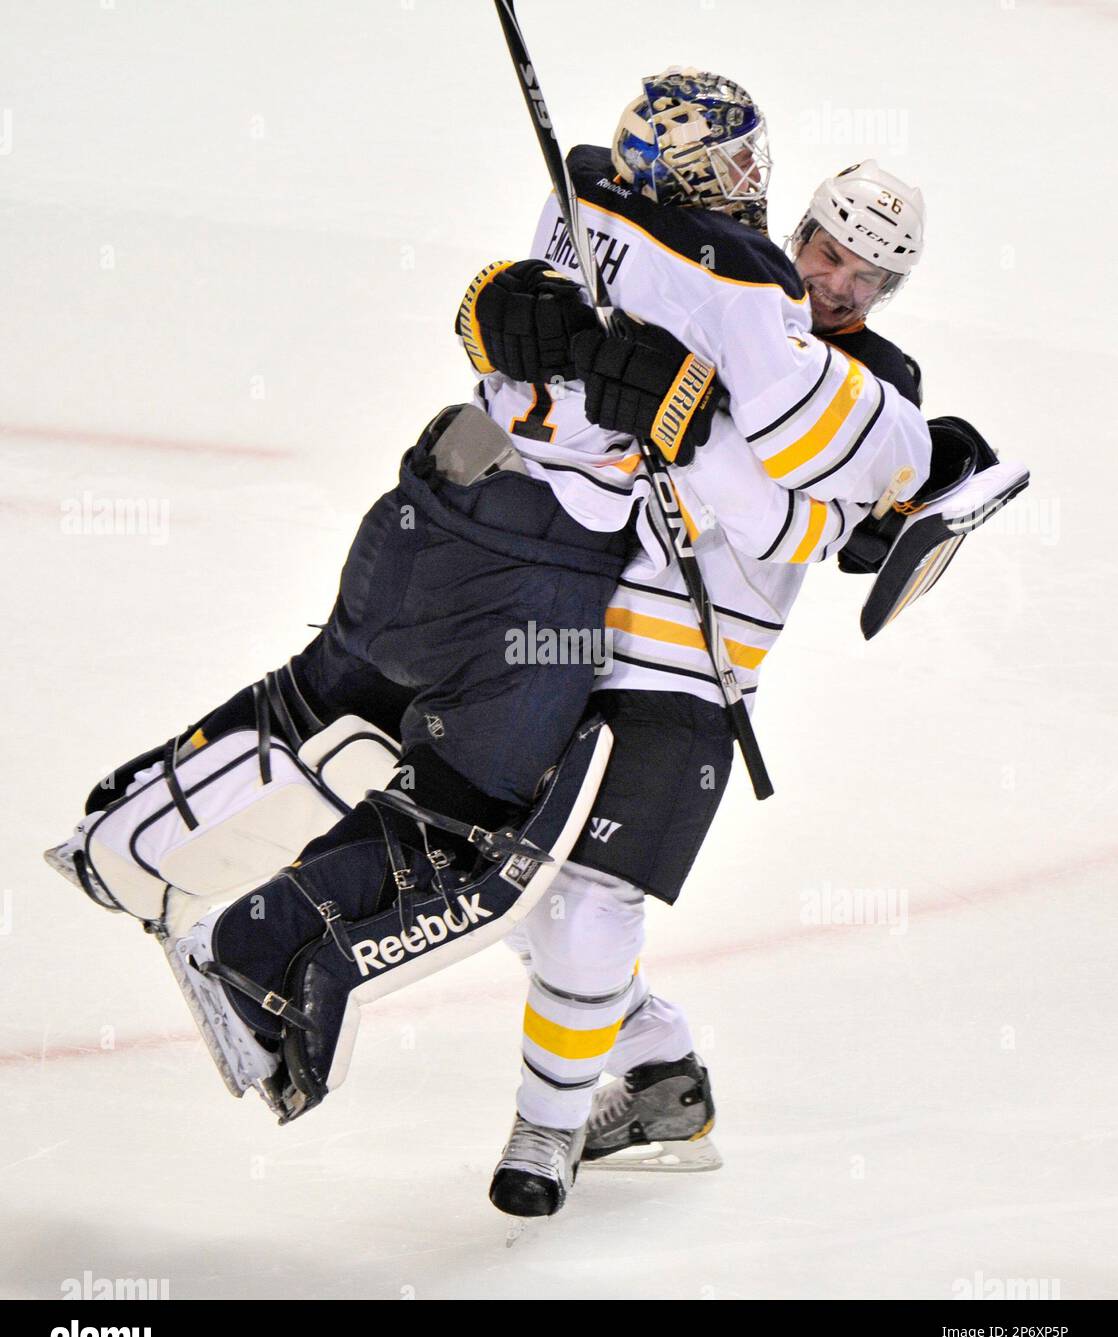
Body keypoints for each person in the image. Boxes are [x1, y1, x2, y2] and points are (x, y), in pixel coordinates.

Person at [45, 68, 1019, 1224]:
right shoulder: (729, 299)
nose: (835, 280)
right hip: (571, 630)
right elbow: (557, 342)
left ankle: (547, 1133)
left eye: (867, 274)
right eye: (825, 247)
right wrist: (507, 309)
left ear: (893, 288)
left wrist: (728, 435)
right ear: (796, 220)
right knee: (525, 887)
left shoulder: (868, 381)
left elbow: (794, 513)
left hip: (686, 675)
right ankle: (659, 1074)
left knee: (587, 898)